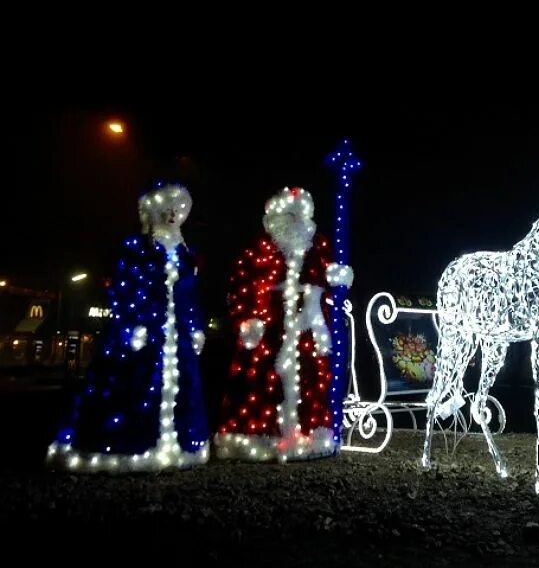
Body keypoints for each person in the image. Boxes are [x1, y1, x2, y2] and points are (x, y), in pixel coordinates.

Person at [46, 182, 209, 472]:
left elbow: (190, 293)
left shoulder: (185, 253)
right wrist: (134, 322)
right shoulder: (137, 247)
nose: (172, 216)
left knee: (180, 387)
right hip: (145, 329)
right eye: (166, 210)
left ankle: (179, 445)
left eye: (177, 210)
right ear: (155, 212)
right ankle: (133, 446)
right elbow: (126, 288)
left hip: (177, 332)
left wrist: (195, 326)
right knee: (136, 384)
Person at [214, 187, 352, 461]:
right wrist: (247, 319)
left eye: (298, 215)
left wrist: (338, 276)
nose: (293, 222)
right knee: (263, 384)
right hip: (269, 331)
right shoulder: (258, 250)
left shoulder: (318, 246)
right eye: (287, 215)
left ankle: (310, 433)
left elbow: (329, 274)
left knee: (309, 383)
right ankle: (260, 437)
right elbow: (240, 287)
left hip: (306, 331)